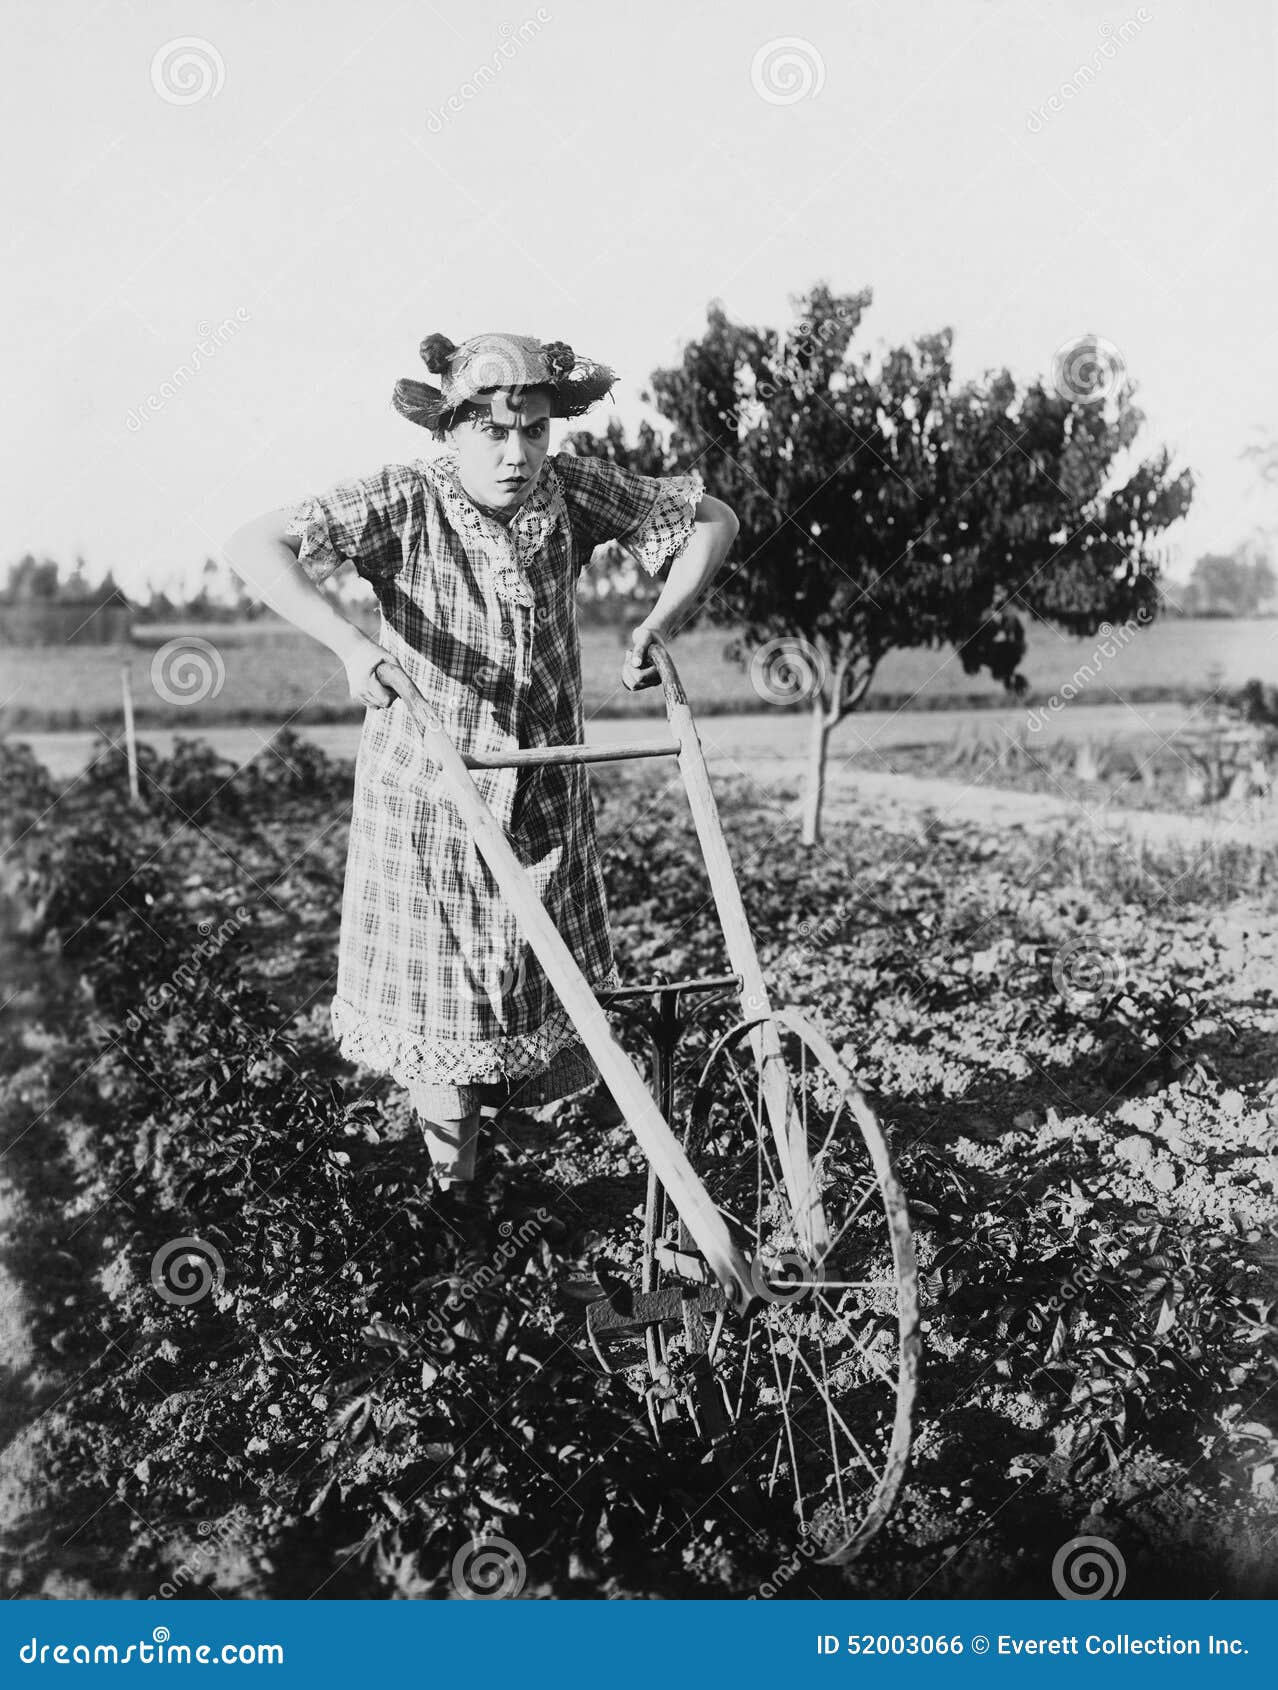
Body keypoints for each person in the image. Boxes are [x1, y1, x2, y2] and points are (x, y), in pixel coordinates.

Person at [222, 330, 739, 1214]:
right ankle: (456, 1206)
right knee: (444, 1017)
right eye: (495, 434)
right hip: (430, 802)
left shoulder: (569, 491)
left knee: (532, 997)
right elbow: (253, 542)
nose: (517, 453)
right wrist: (348, 644)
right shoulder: (405, 501)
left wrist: (658, 622)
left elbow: (712, 520)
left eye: (534, 432)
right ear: (451, 432)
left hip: (540, 789)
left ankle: (505, 1155)